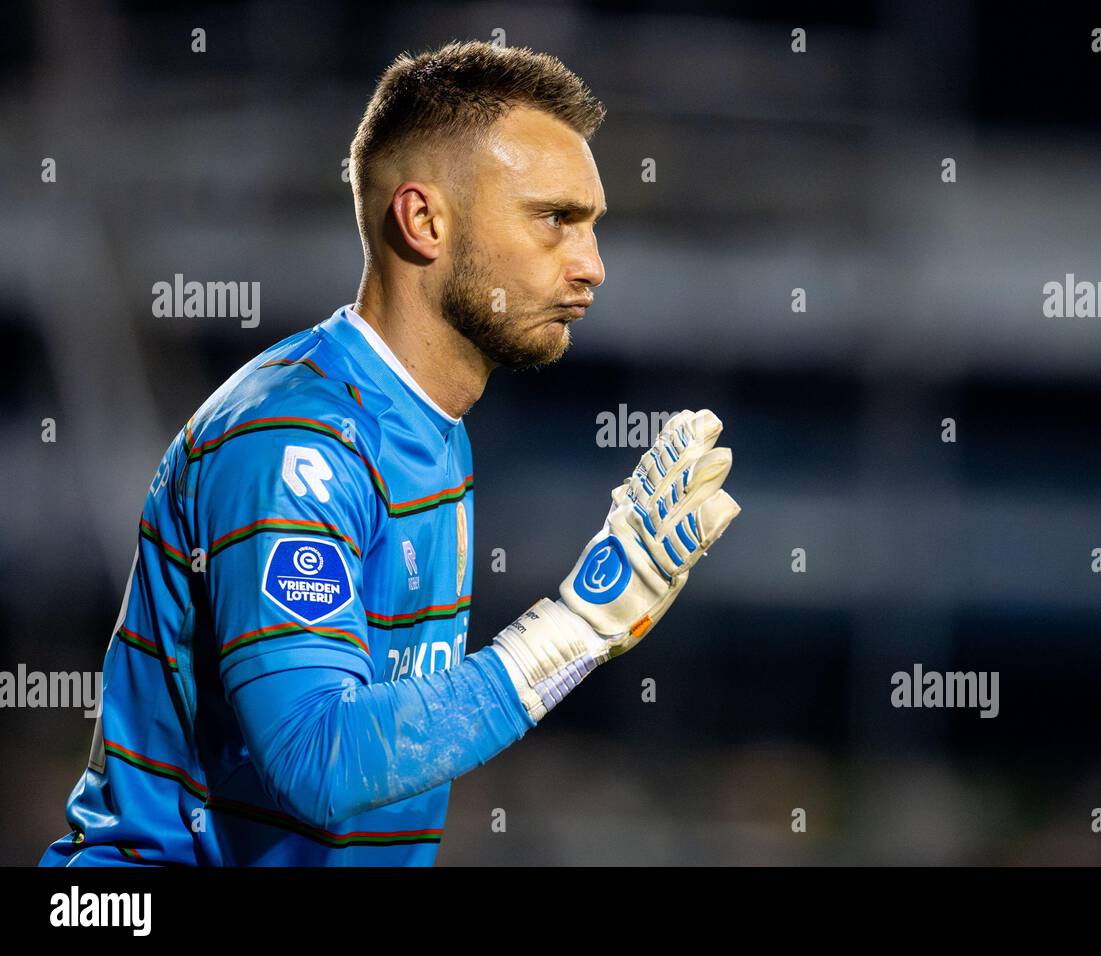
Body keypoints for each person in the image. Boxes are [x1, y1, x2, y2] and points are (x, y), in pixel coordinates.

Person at [40, 40, 739, 866]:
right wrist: (577, 630)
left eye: (592, 226)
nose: (592, 265)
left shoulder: (433, 428)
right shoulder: (294, 441)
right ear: (423, 220)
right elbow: (317, 760)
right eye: (555, 219)